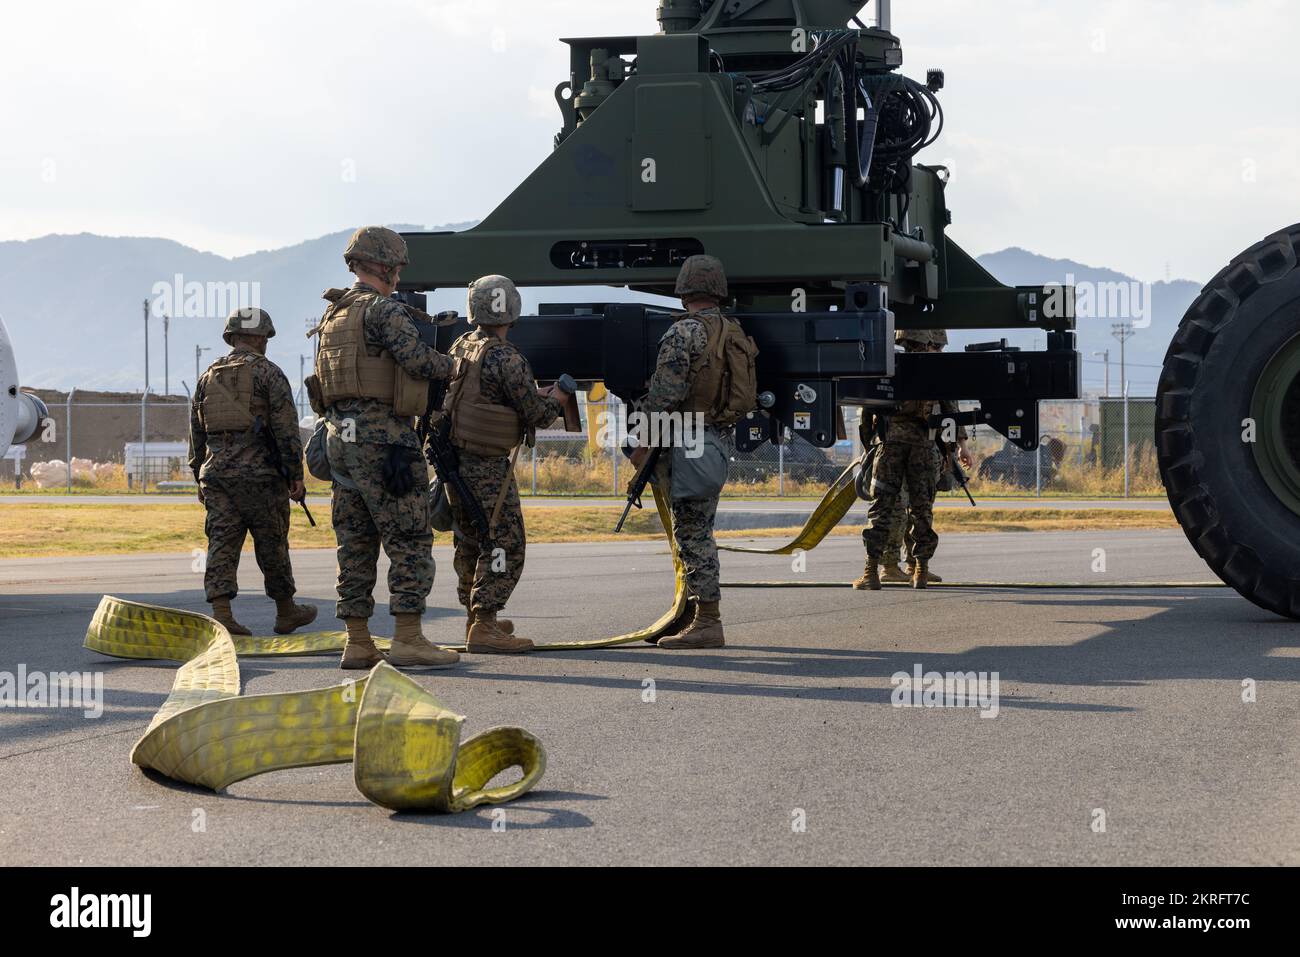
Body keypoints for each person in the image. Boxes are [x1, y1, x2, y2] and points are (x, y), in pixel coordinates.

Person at [310, 225, 458, 670]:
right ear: (386, 266)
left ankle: (357, 643)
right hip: (384, 440)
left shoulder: (333, 315)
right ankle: (409, 639)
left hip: (340, 438)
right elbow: (417, 361)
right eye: (396, 267)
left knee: (354, 543)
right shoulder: (382, 310)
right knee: (409, 537)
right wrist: (454, 364)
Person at [438, 275, 569, 653]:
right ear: (512, 309)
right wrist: (557, 398)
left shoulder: (462, 346)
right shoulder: (507, 357)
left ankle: (476, 615)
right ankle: (485, 622)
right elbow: (536, 412)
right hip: (487, 465)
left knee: (468, 539)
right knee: (504, 542)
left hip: (456, 461)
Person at [632, 254, 756, 650]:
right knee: (698, 526)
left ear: (684, 290)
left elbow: (665, 395)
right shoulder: (732, 331)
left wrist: (642, 441)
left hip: (686, 440)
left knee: (692, 532)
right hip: (716, 440)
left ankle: (707, 621)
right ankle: (691, 614)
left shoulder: (682, 333)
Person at [188, 307, 317, 636]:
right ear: (261, 337)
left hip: (216, 474)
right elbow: (286, 429)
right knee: (271, 542)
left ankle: (222, 613)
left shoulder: (208, 376)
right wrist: (294, 475)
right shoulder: (269, 374)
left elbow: (196, 433)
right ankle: (286, 611)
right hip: (260, 474)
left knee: (221, 543)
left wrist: (198, 477)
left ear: (231, 337)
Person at [855, 328, 972, 590]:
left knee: (881, 509)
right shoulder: (937, 370)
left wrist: (868, 446)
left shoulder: (887, 365)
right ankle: (920, 571)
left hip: (890, 447)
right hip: (924, 447)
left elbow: (866, 410)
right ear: (929, 340)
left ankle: (871, 572)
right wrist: (951, 449)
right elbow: (951, 413)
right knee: (922, 511)